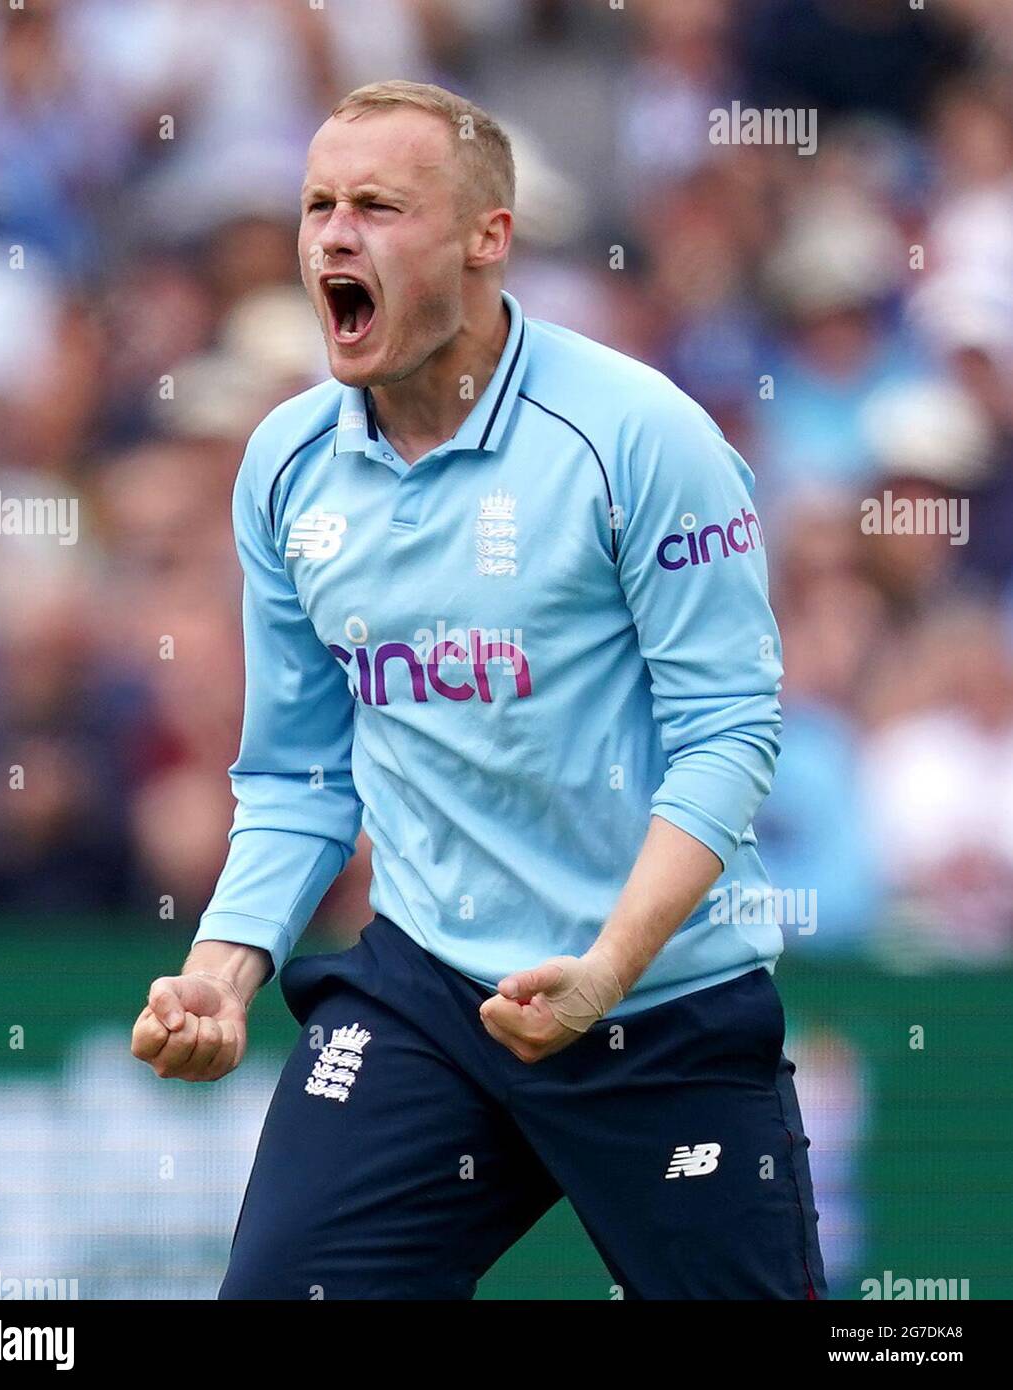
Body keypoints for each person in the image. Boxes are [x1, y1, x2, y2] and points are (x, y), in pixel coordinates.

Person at [130, 80, 826, 1301]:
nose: (334, 236)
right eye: (318, 206)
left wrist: (606, 969)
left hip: (657, 1006)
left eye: (380, 207)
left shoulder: (639, 434)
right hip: (426, 1001)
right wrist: (222, 971)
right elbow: (299, 770)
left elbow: (726, 733)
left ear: (485, 238)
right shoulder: (286, 464)